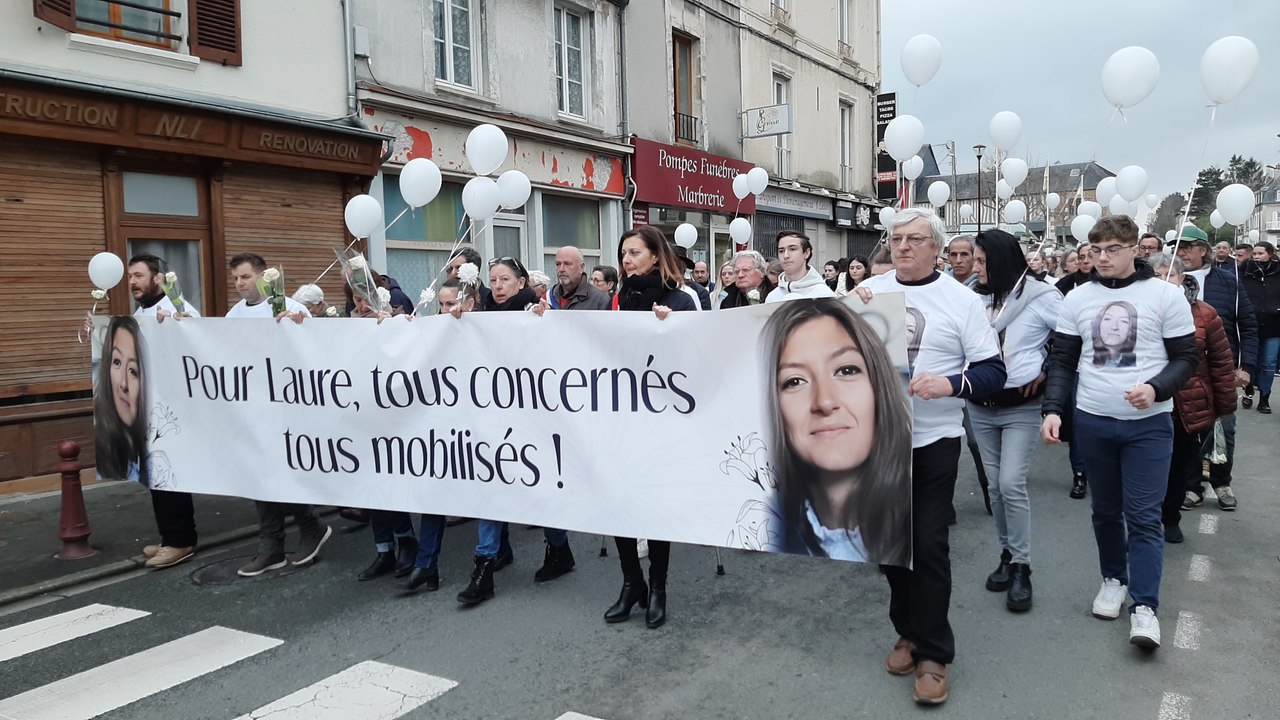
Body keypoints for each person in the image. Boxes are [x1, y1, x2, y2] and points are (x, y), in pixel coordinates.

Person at [856, 208, 1007, 706]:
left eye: (914, 238)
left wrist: (950, 384)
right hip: (878, 441)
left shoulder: (960, 301)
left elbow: (992, 372)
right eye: (896, 238)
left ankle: (934, 654)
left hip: (934, 439)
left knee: (929, 545)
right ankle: (909, 631)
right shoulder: (866, 296)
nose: (902, 246)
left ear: (936, 247)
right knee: (889, 546)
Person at [1041, 215, 1197, 650]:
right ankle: (1113, 579)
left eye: (1111, 249)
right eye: (1095, 250)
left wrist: (1155, 387)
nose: (1101, 258)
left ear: (1134, 250)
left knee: (1145, 516)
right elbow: (1063, 362)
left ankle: (1145, 607)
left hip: (1149, 425)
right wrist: (1054, 410)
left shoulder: (1165, 295)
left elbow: (1187, 359)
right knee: (1105, 511)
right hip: (1093, 419)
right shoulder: (1076, 298)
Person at [763, 299, 912, 565]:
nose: (825, 402)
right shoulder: (765, 524)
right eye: (794, 381)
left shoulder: (916, 516)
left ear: (879, 388)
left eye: (846, 370)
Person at [604, 226, 696, 630]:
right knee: (619, 499)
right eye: (623, 253)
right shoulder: (619, 299)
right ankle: (631, 583)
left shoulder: (682, 299)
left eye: (635, 252)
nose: (626, 259)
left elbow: (700, 354)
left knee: (655, 506)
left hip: (664, 419)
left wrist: (671, 329)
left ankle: (658, 588)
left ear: (656, 256)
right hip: (624, 416)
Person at [966, 229, 1062, 613]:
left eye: (981, 261)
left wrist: (1049, 366)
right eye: (974, 260)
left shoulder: (1041, 296)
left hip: (1021, 404)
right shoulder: (970, 297)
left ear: (1001, 260)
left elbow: (1073, 338)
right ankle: (1007, 555)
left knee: (1010, 483)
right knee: (993, 486)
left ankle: (1022, 565)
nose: (975, 268)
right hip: (979, 404)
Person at [226, 253, 332, 577]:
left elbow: (317, 356)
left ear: (262, 277)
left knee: (284, 472)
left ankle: (309, 526)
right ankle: (272, 544)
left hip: (288, 409)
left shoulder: (291, 308)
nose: (240, 283)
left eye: (245, 277)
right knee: (260, 475)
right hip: (253, 407)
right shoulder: (233, 315)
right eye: (235, 278)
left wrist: (299, 330)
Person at [1148, 254, 1237, 545]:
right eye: (1156, 276)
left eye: (1168, 275)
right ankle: (1144, 519)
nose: (1163, 282)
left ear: (1182, 279)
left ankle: (1170, 516)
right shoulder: (1137, 310)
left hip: (1186, 405)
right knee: (1145, 467)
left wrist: (1223, 408)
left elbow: (1222, 364)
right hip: (1145, 404)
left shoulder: (1205, 314)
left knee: (1178, 466)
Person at [1171, 225, 1257, 512]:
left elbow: (1247, 325)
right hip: (1187, 372)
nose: (1181, 251)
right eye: (1177, 246)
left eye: (1187, 246)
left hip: (1221, 368)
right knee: (1188, 431)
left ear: (1203, 250)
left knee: (1224, 430)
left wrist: (1245, 366)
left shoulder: (1228, 282)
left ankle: (1221, 483)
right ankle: (1192, 487)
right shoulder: (1167, 283)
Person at [1240, 242, 1280, 413]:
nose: (1256, 257)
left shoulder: (1278, 272)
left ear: (1270, 254)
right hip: (1251, 324)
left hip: (1274, 324)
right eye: (1254, 253)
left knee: (1269, 363)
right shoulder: (1245, 271)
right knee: (1251, 361)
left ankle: (1265, 398)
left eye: (1260, 253)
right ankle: (1248, 390)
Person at [767, 231, 836, 302]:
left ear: (806, 253)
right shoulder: (772, 297)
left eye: (792, 249)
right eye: (781, 251)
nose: (786, 256)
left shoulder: (824, 295)